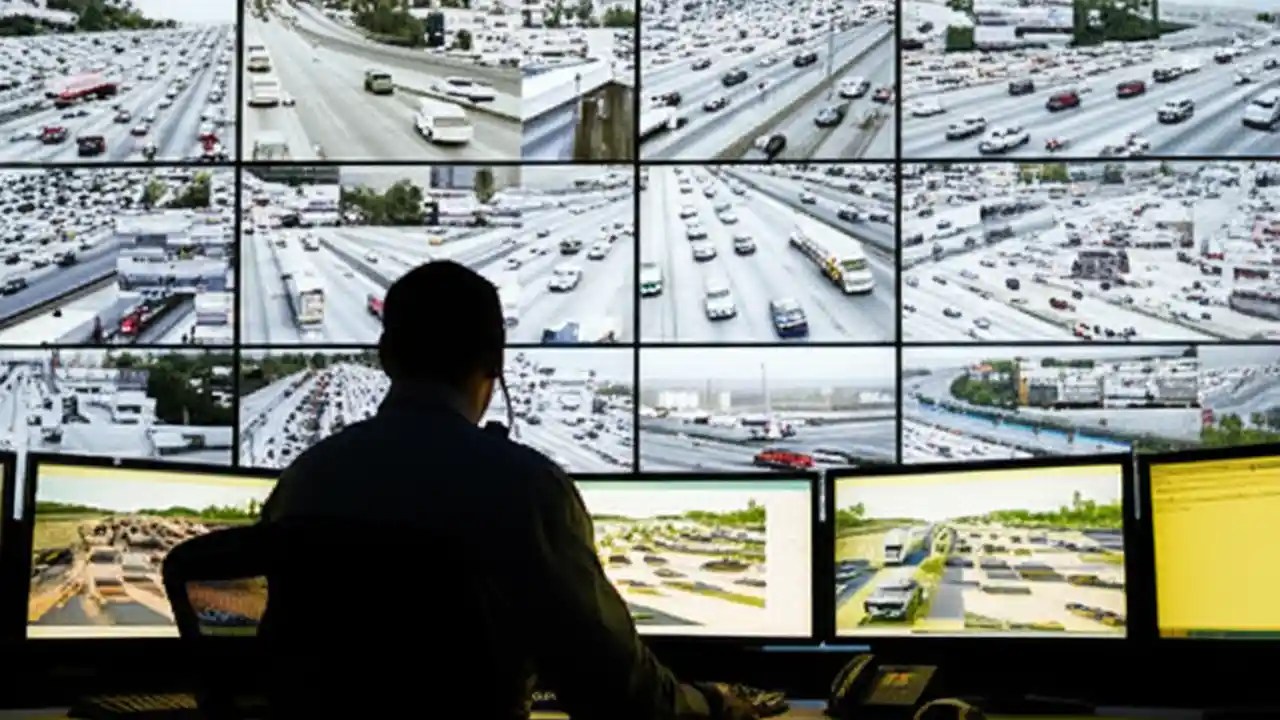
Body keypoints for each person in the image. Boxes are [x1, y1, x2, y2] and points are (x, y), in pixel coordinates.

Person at [260, 261, 758, 720]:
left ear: (386, 356)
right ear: (496, 360)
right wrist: (713, 703)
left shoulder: (303, 481)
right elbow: (620, 694)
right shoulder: (525, 490)